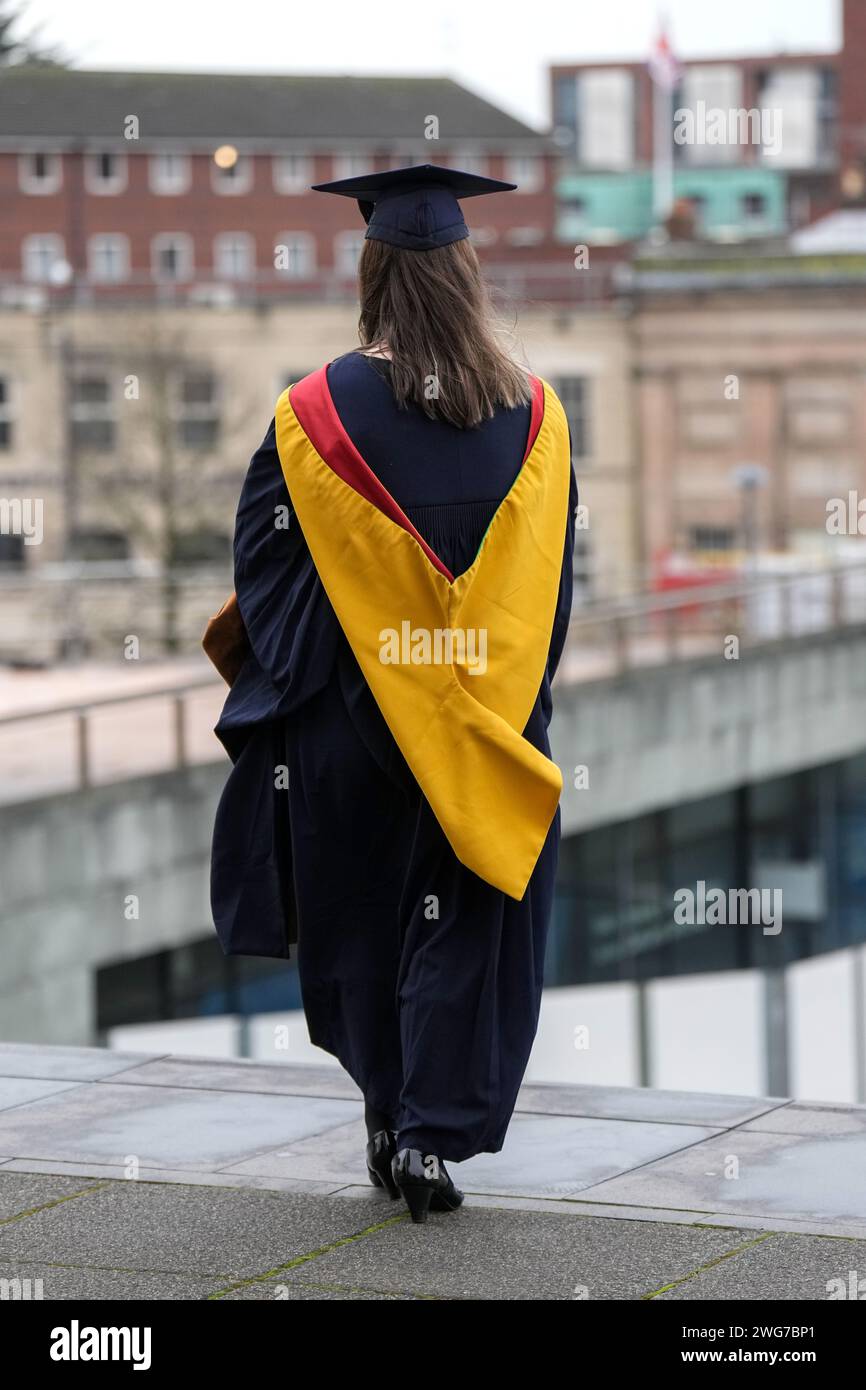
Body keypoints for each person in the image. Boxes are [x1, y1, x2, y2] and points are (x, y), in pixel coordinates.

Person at [207, 164, 578, 1225]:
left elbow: (269, 582)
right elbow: (550, 594)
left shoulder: (310, 414)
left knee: (363, 921)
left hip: (349, 732)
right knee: (462, 920)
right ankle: (427, 1132)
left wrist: (341, 678)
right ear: (469, 275)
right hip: (487, 730)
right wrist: (487, 693)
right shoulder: (537, 416)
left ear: (371, 275)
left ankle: (383, 1109)